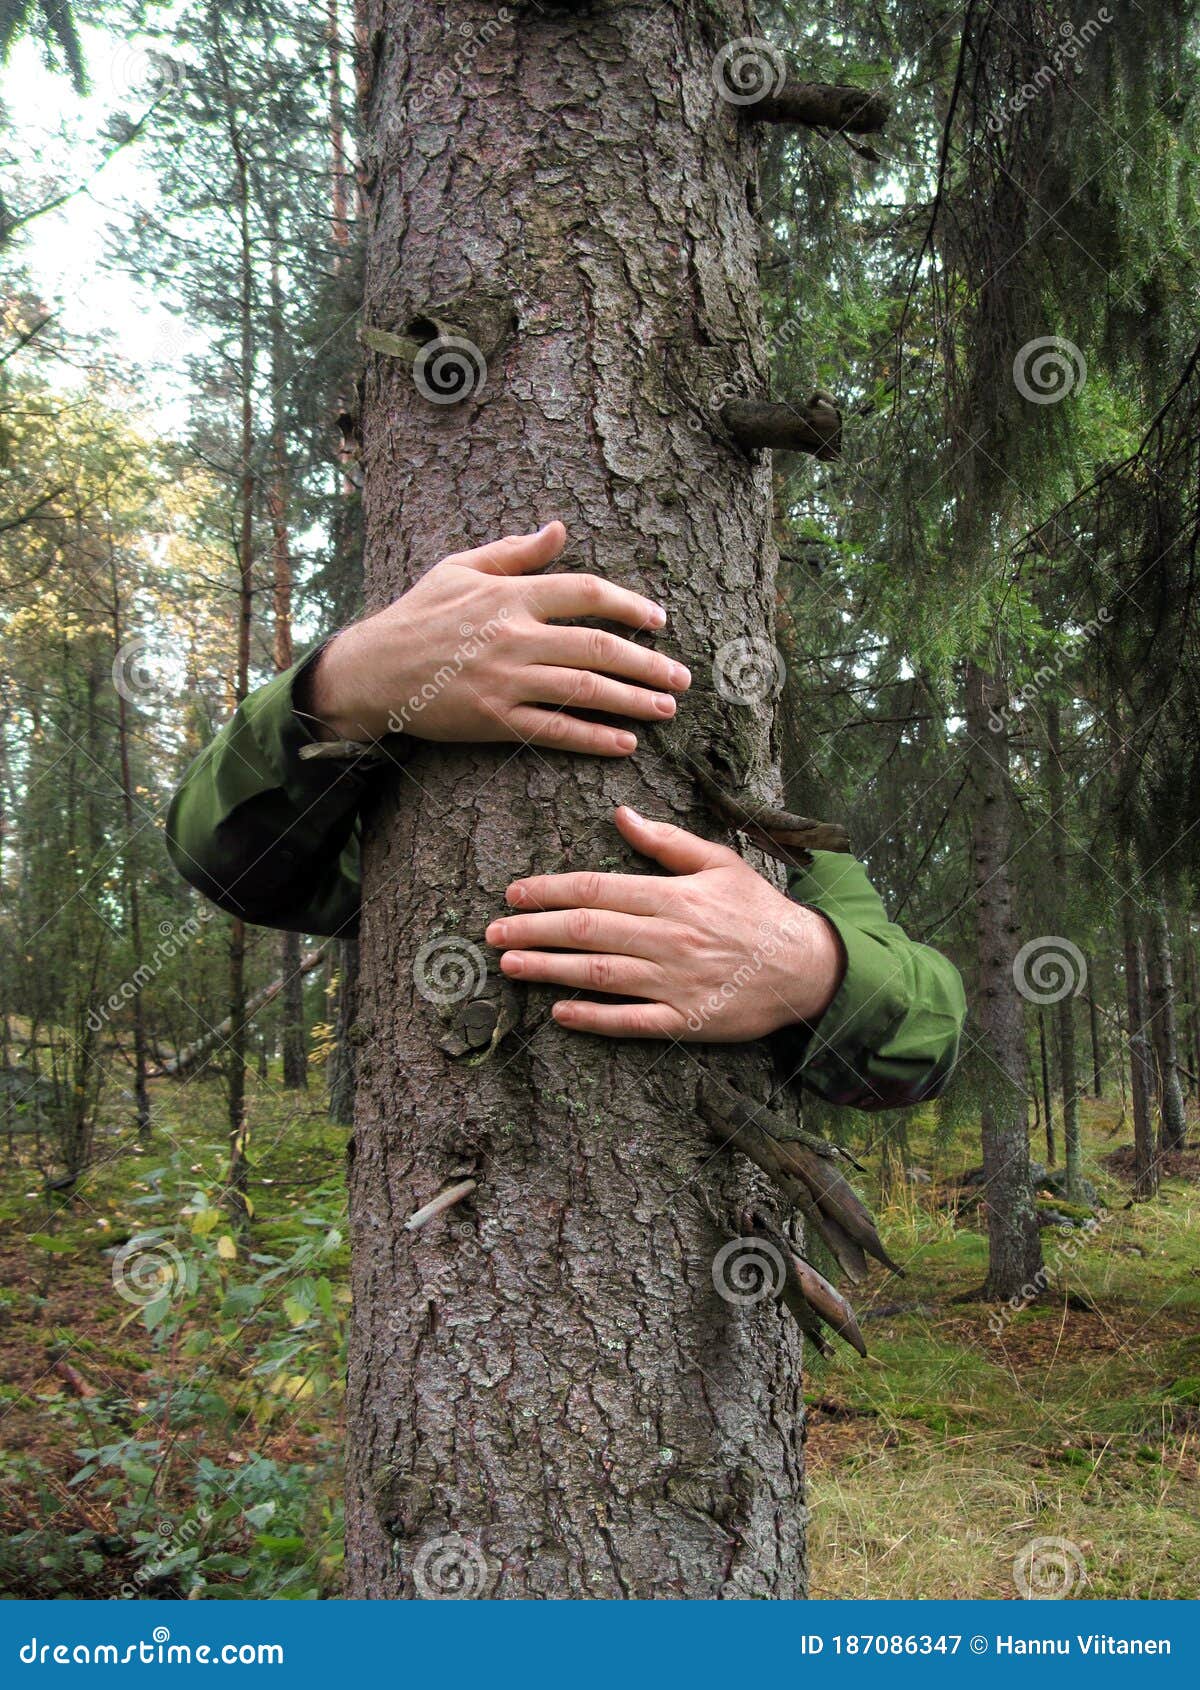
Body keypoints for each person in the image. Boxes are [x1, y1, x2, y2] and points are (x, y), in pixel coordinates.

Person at [167, 522, 965, 1110]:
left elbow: (929, 1042)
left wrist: (806, 964)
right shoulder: (399, 806)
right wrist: (340, 684)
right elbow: (221, 857)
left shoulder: (793, 861)